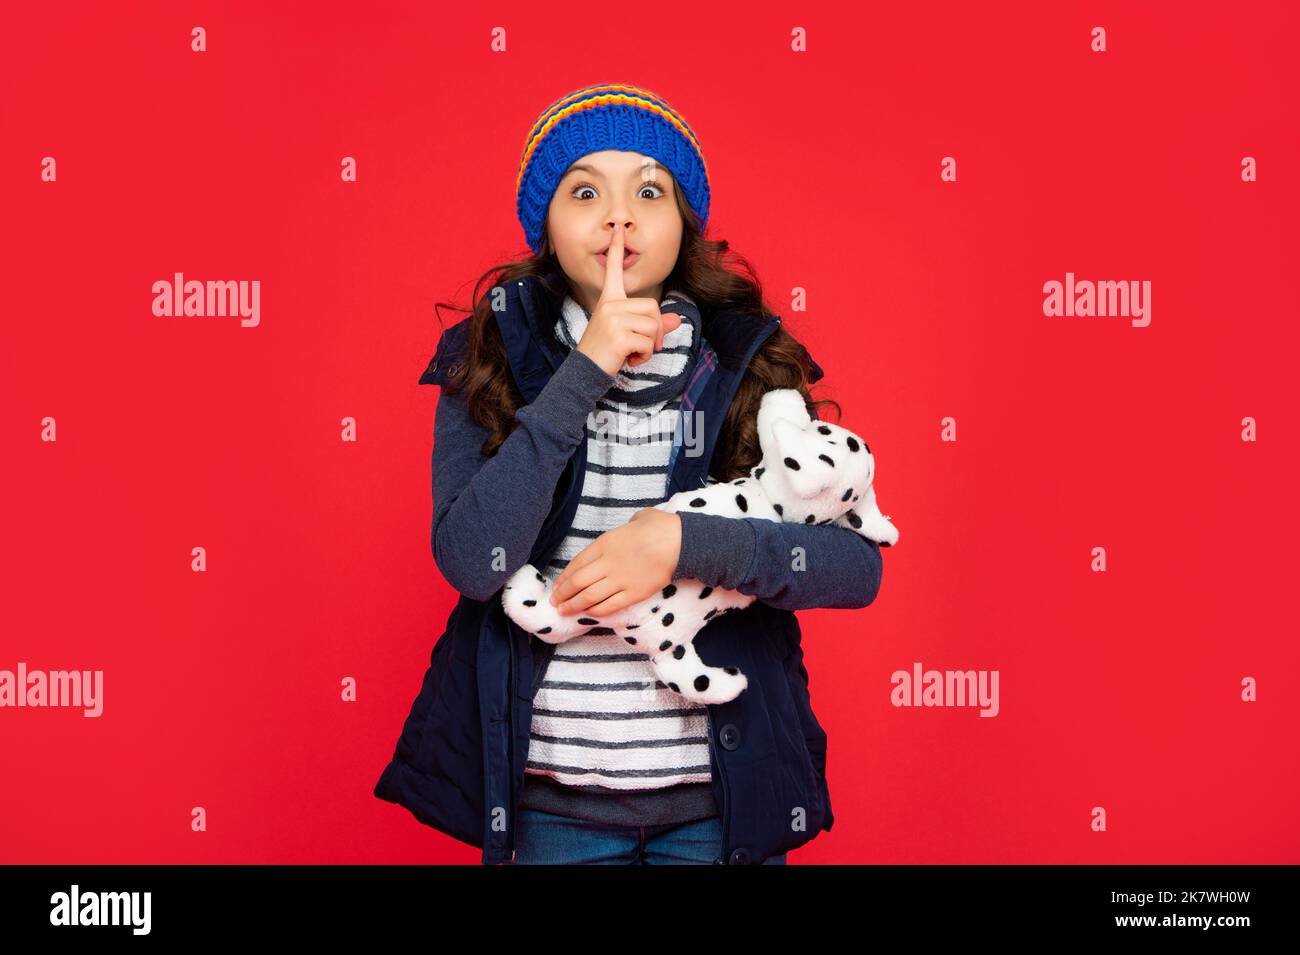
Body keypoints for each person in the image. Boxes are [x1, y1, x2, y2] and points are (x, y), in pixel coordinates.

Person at [373, 83, 885, 864]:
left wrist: (682, 541)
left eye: (649, 190)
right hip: (550, 809)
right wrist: (587, 369)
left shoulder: (748, 361)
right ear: (545, 225)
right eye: (585, 192)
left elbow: (855, 568)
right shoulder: (488, 361)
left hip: (722, 806)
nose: (619, 216)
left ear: (684, 224)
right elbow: (475, 563)